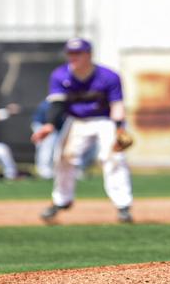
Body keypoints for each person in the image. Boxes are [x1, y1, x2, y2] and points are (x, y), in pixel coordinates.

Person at [32, 37, 135, 223]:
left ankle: (123, 206)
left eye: (78, 53)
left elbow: (116, 105)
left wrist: (119, 129)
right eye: (70, 53)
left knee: (113, 158)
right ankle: (61, 201)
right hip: (77, 121)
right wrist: (49, 125)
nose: (73, 57)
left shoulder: (109, 76)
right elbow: (57, 104)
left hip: (104, 120)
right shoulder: (60, 75)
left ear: (89, 54)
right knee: (63, 158)